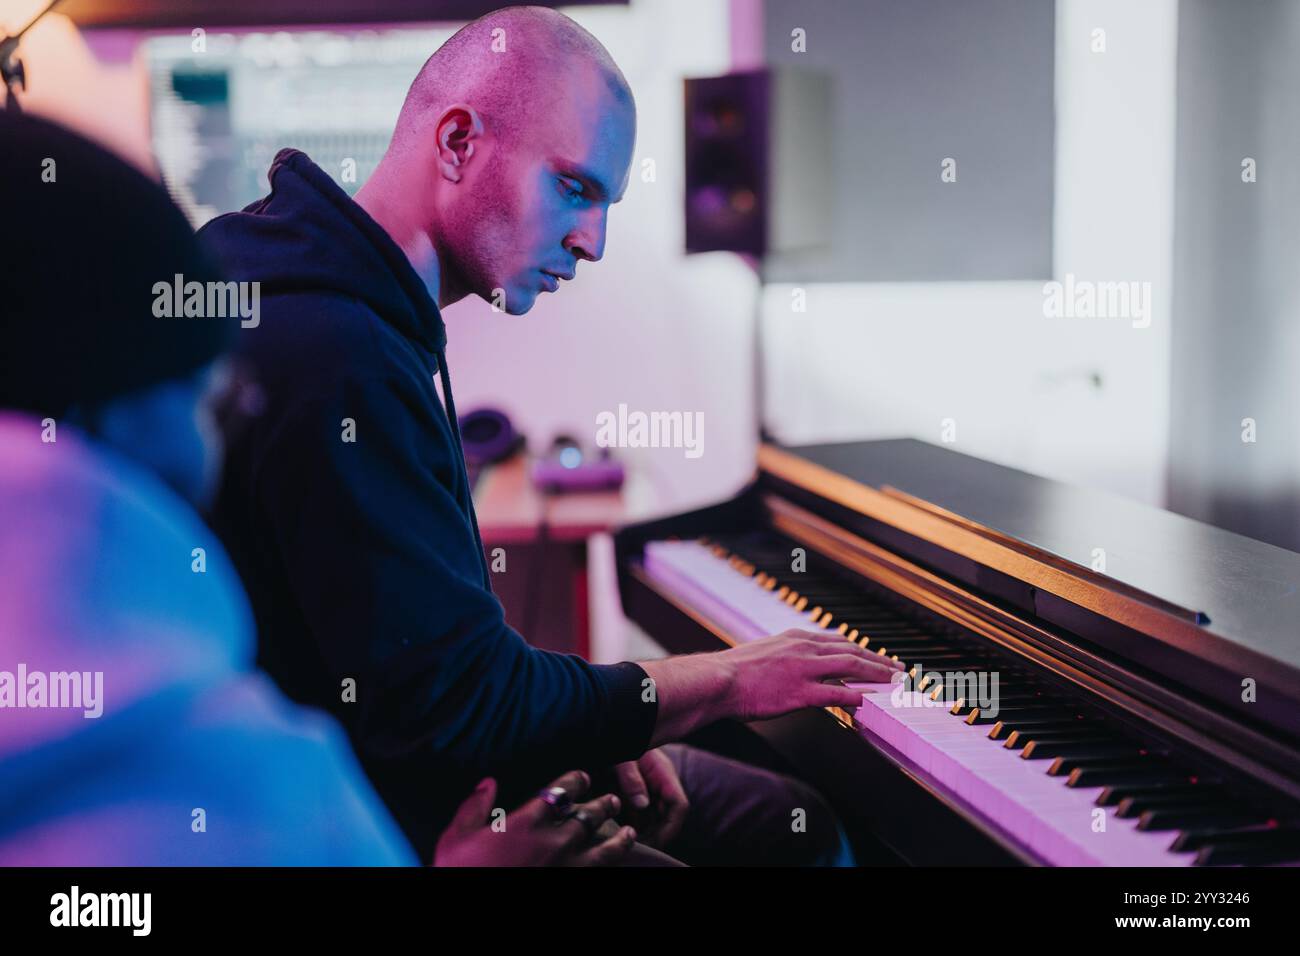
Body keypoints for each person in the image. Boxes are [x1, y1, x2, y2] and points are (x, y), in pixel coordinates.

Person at [200, 5, 902, 865]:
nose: (592, 241)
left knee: (779, 814)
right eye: (575, 188)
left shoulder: (329, 292)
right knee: (795, 837)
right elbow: (457, 706)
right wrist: (726, 677)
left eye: (606, 202)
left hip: (401, 757)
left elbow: (432, 653)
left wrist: (591, 718)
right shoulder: (341, 355)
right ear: (457, 143)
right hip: (376, 812)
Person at [0, 109, 636, 867]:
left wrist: (592, 720)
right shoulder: (230, 776)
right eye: (212, 397)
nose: (239, 414)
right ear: (100, 417)